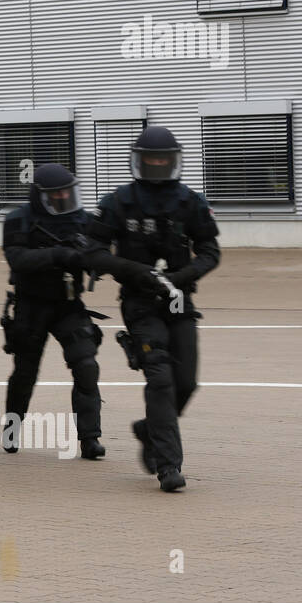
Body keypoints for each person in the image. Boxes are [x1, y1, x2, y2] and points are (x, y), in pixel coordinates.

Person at [88, 127, 221, 492]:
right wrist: (132, 270)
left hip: (179, 300)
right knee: (160, 379)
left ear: (175, 161)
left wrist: (183, 275)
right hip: (140, 302)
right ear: (140, 161)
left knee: (187, 381)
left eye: (165, 159)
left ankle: (150, 429)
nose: (159, 165)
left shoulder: (189, 202)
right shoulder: (119, 202)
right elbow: (93, 251)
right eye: (152, 159)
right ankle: (169, 466)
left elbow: (211, 251)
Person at [0, 164, 155, 459]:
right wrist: (60, 255)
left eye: (67, 193)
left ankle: (89, 438)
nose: (62, 197)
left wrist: (106, 264)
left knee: (86, 365)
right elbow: (17, 258)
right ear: (41, 196)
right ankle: (11, 430)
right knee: (24, 373)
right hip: (31, 307)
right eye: (56, 194)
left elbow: (102, 252)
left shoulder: (83, 220)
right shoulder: (19, 220)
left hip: (68, 305)